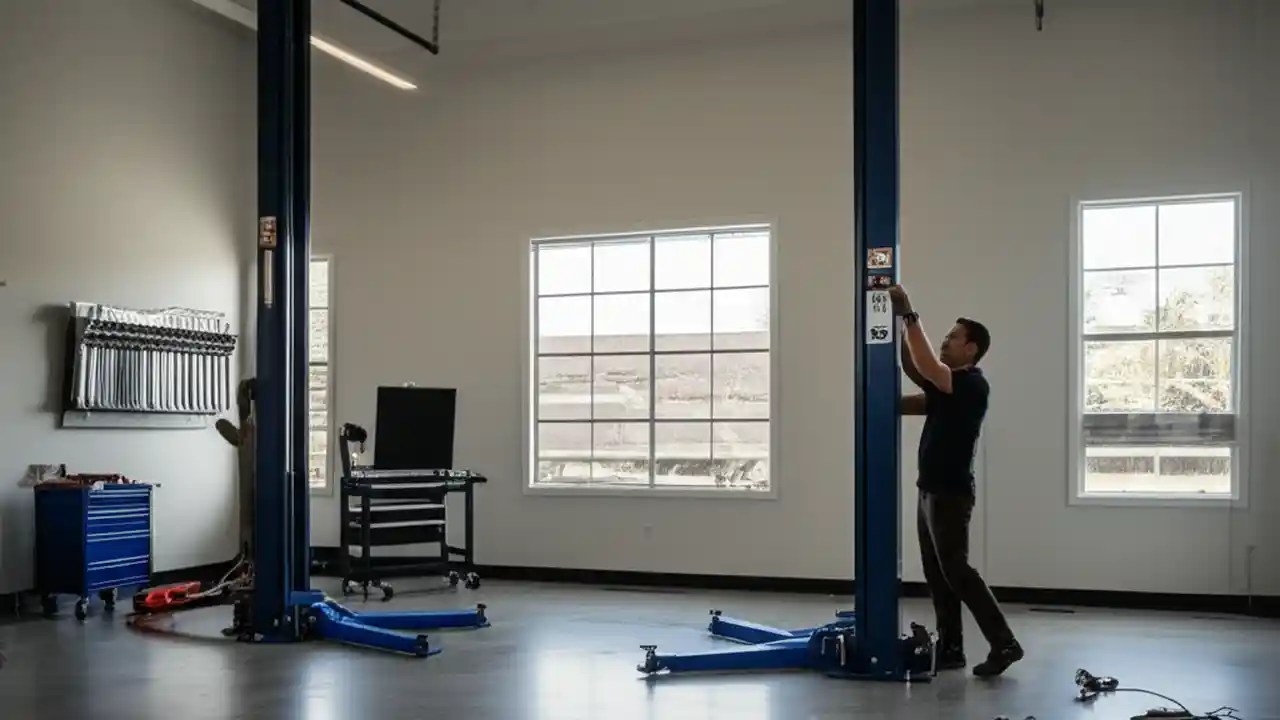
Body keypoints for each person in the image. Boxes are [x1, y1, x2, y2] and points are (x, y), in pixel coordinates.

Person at [888, 284, 1022, 678]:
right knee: (938, 575)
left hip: (950, 494)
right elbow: (917, 369)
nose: (945, 342)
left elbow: (927, 367)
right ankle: (951, 649)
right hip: (928, 491)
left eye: (952, 338)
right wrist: (893, 328)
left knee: (958, 572)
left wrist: (909, 314)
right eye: (944, 338)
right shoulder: (946, 387)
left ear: (972, 349)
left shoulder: (970, 384)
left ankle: (1005, 643)